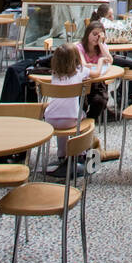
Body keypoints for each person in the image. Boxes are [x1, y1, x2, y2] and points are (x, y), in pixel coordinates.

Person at [43, 42, 94, 176]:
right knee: (82, 116)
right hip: (72, 119)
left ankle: (62, 154)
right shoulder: (81, 72)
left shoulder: (54, 75)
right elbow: (97, 73)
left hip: (50, 119)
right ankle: (80, 153)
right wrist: (99, 62)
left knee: (61, 118)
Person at [75, 19, 114, 123]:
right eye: (94, 34)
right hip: (82, 84)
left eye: (99, 35)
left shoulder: (102, 47)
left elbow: (110, 60)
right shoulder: (79, 47)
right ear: (88, 33)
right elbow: (83, 65)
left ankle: (90, 120)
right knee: (80, 102)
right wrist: (99, 63)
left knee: (100, 101)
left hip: (97, 83)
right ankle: (81, 120)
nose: (96, 37)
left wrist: (101, 44)